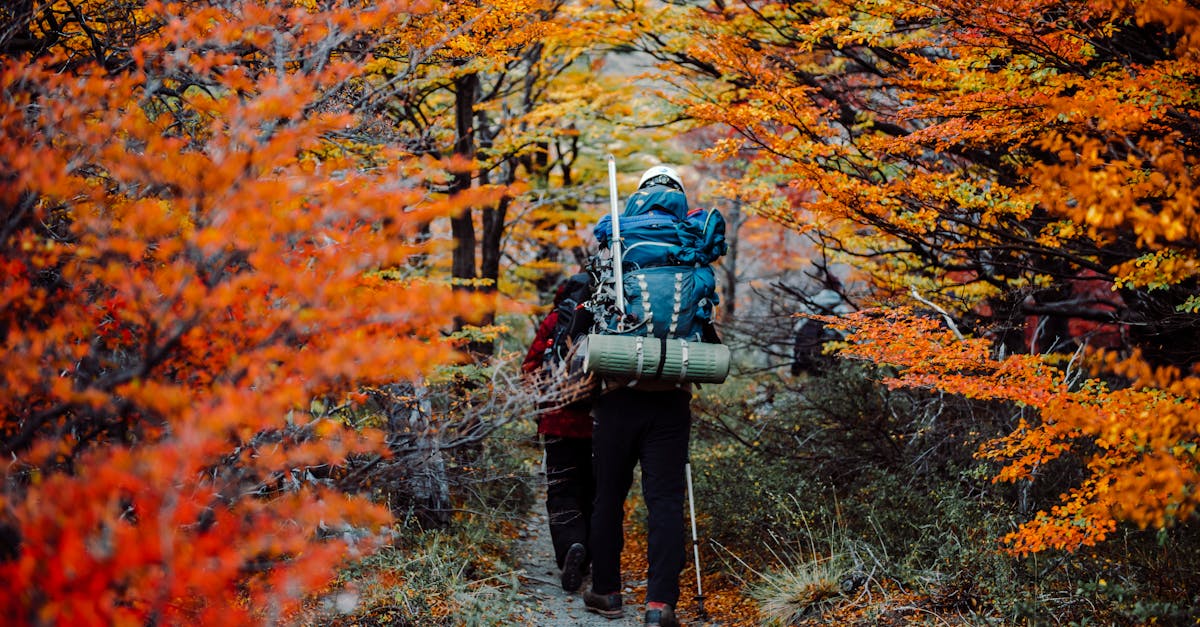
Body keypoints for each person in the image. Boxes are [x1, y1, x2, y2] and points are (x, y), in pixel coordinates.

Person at [583, 165, 696, 627]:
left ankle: (607, 591)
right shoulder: (691, 240)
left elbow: (596, 305)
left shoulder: (618, 235)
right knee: (665, 500)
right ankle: (660, 605)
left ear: (639, 196)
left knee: (608, 495)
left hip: (617, 392)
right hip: (672, 392)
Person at [522, 275, 595, 593]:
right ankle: (591, 556)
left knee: (562, 491)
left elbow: (530, 367)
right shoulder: (606, 319)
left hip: (557, 421)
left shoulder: (554, 319)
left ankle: (570, 550)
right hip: (598, 422)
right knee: (594, 491)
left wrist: (543, 402)